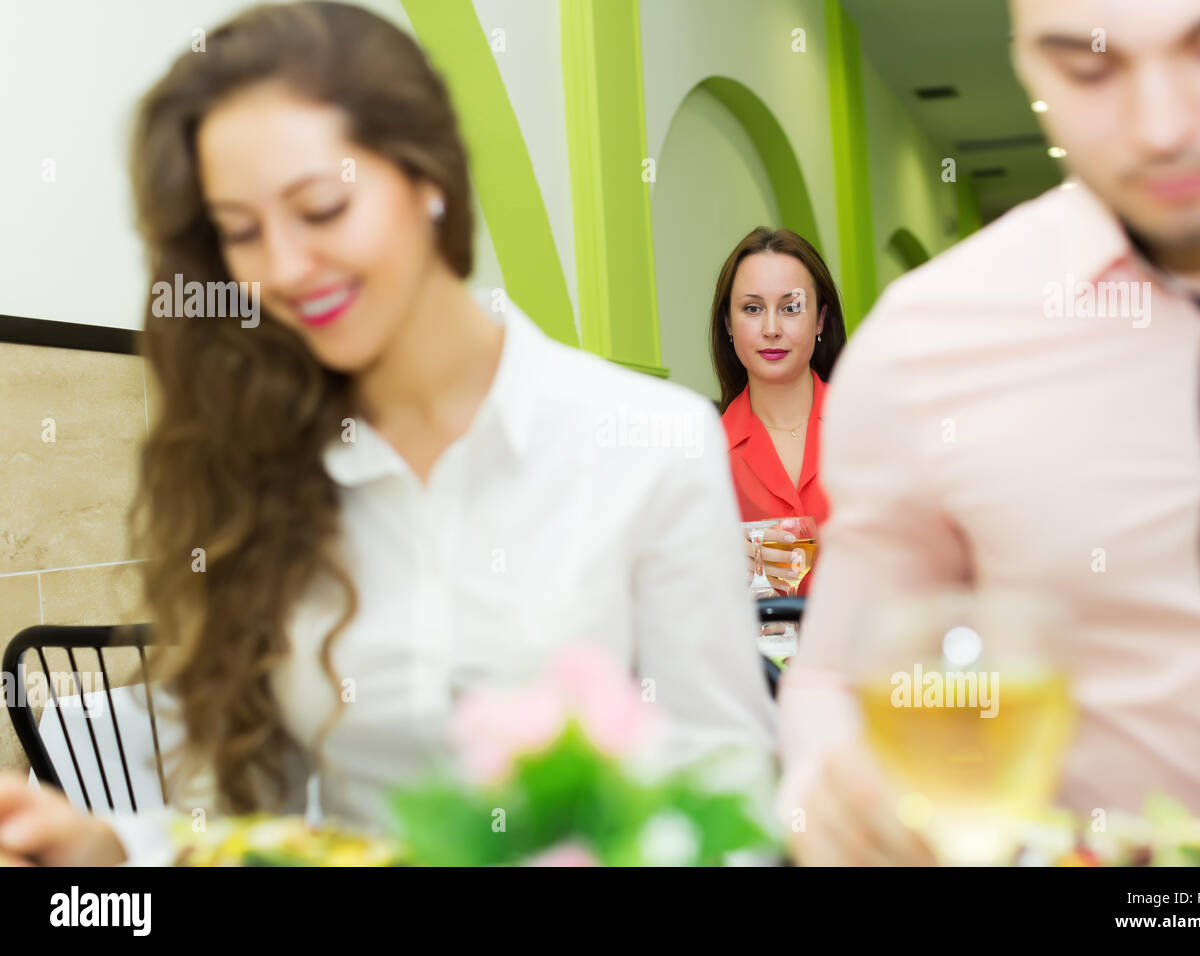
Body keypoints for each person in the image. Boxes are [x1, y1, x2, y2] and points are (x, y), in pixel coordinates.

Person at [0, 0, 775, 866]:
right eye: (242, 234)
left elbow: (727, 799)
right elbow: (216, 808)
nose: (286, 268)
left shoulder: (650, 446)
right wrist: (104, 850)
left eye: (323, 208)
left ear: (429, 180)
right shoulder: (258, 460)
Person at [782, 0, 1200, 865]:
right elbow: (839, 674)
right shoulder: (925, 344)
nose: (1162, 127)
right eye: (1088, 68)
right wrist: (827, 791)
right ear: (1023, 60)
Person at [710, 228, 847, 597]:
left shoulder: (871, 427)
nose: (771, 329)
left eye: (791, 308)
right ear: (727, 323)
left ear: (820, 320)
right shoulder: (703, 455)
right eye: (752, 309)